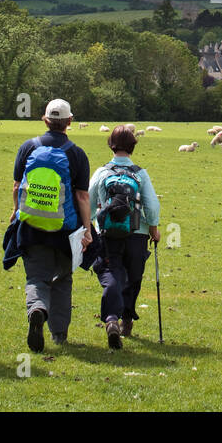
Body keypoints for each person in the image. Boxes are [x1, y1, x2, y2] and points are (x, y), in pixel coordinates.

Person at [11, 99, 91, 352]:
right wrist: (87, 229)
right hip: (65, 232)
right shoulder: (77, 154)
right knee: (63, 279)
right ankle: (59, 334)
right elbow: (82, 196)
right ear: (69, 122)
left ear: (45, 120)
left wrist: (15, 213)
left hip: (32, 226)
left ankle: (37, 308)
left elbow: (16, 187)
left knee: (36, 277)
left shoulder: (28, 147)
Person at [88, 126, 161, 349]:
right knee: (133, 276)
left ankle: (111, 318)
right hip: (137, 234)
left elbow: (89, 203)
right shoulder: (140, 173)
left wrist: (87, 226)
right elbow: (152, 204)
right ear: (132, 147)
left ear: (111, 145)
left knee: (112, 273)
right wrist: (153, 229)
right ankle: (127, 318)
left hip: (108, 234)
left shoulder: (102, 172)